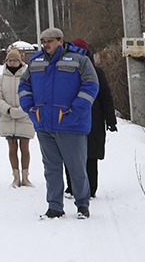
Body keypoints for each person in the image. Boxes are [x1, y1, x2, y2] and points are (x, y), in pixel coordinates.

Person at [18, 27, 98, 219]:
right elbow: (24, 85)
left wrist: (75, 112)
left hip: (71, 125)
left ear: (61, 41)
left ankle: (82, 206)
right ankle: (54, 207)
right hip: (44, 125)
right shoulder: (35, 62)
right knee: (51, 168)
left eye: (50, 41)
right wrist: (31, 109)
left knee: (77, 168)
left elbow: (91, 85)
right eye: (43, 41)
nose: (46, 45)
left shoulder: (80, 60)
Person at [64, 41, 118, 198]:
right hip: (80, 117)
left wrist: (111, 120)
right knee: (77, 154)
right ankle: (79, 188)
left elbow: (105, 97)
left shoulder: (93, 72)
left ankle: (85, 188)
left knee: (83, 154)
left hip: (88, 118)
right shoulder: (69, 71)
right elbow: (106, 98)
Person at [0, 47, 35, 188]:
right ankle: (15, 177)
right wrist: (9, 110)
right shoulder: (1, 78)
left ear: (20, 61)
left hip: (24, 117)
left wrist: (22, 110)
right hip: (7, 117)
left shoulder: (28, 77)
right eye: (10, 60)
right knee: (12, 148)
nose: (12, 63)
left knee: (25, 147)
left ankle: (25, 177)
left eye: (15, 60)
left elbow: (33, 96)